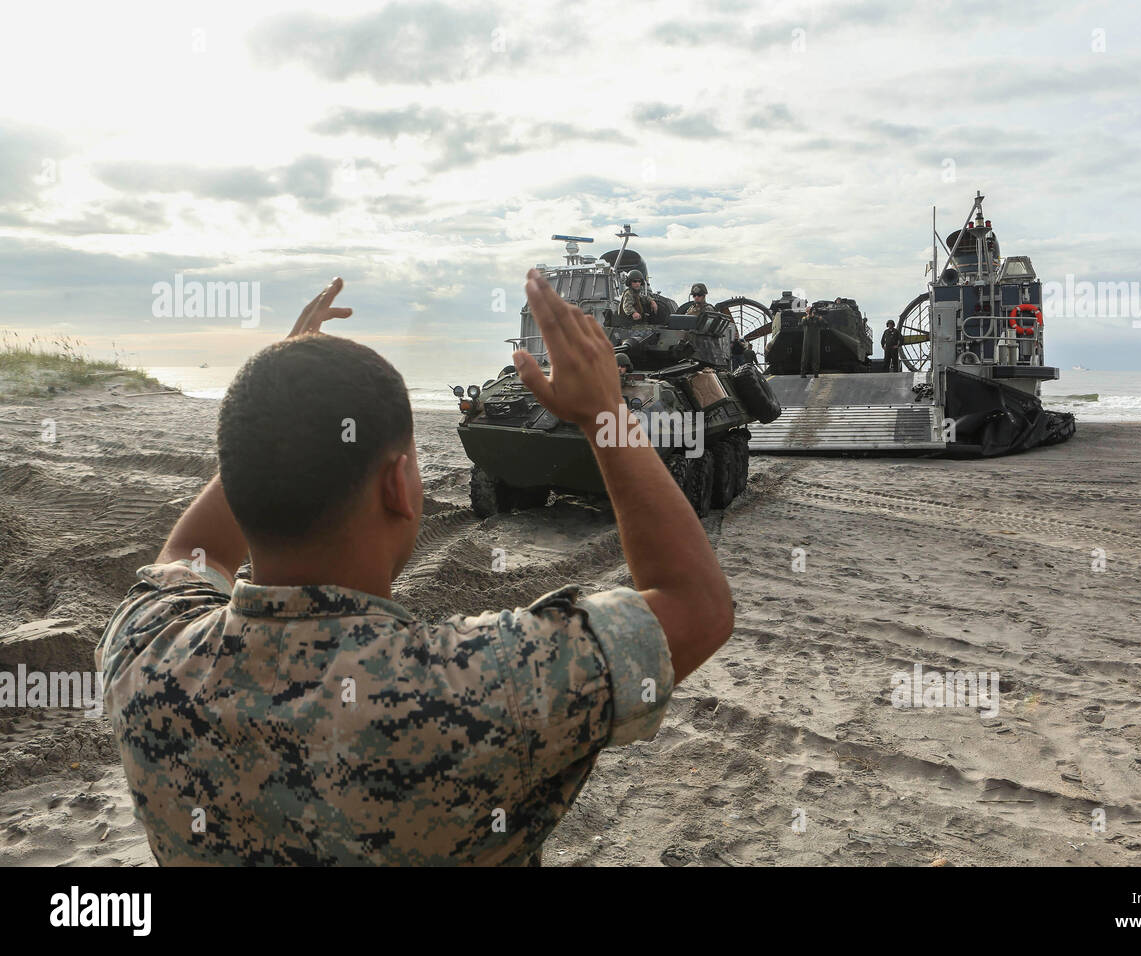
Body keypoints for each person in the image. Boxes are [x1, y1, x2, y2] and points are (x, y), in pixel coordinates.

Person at [96, 273, 734, 866]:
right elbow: (696, 604)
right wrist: (607, 414)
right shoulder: (491, 683)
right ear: (399, 487)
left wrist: (275, 413)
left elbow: (187, 555)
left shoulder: (145, 650)